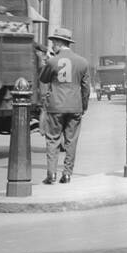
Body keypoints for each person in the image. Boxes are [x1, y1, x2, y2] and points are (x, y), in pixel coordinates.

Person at [38, 27, 91, 185]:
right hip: (75, 106)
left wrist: (48, 62)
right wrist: (84, 106)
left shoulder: (53, 61)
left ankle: (51, 174)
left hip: (56, 106)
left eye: (53, 43)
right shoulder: (82, 62)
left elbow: (43, 79)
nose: (52, 46)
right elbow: (86, 88)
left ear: (59, 43)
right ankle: (67, 174)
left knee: (52, 140)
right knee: (71, 141)